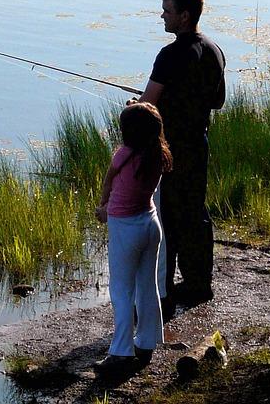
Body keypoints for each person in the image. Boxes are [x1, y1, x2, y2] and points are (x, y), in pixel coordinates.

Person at [137, 0, 225, 316]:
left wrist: (136, 104)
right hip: (198, 144)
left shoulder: (170, 54)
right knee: (195, 213)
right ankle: (199, 284)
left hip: (169, 148)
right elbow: (217, 101)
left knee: (167, 217)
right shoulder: (214, 49)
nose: (162, 15)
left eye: (167, 10)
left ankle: (164, 291)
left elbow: (148, 103)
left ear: (184, 16)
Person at [94, 102, 172, 376]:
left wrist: (103, 208)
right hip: (150, 224)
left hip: (126, 228)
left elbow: (108, 182)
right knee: (147, 285)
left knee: (121, 290)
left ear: (128, 133)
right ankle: (146, 343)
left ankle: (120, 352)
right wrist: (140, 109)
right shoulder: (159, 154)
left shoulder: (123, 155)